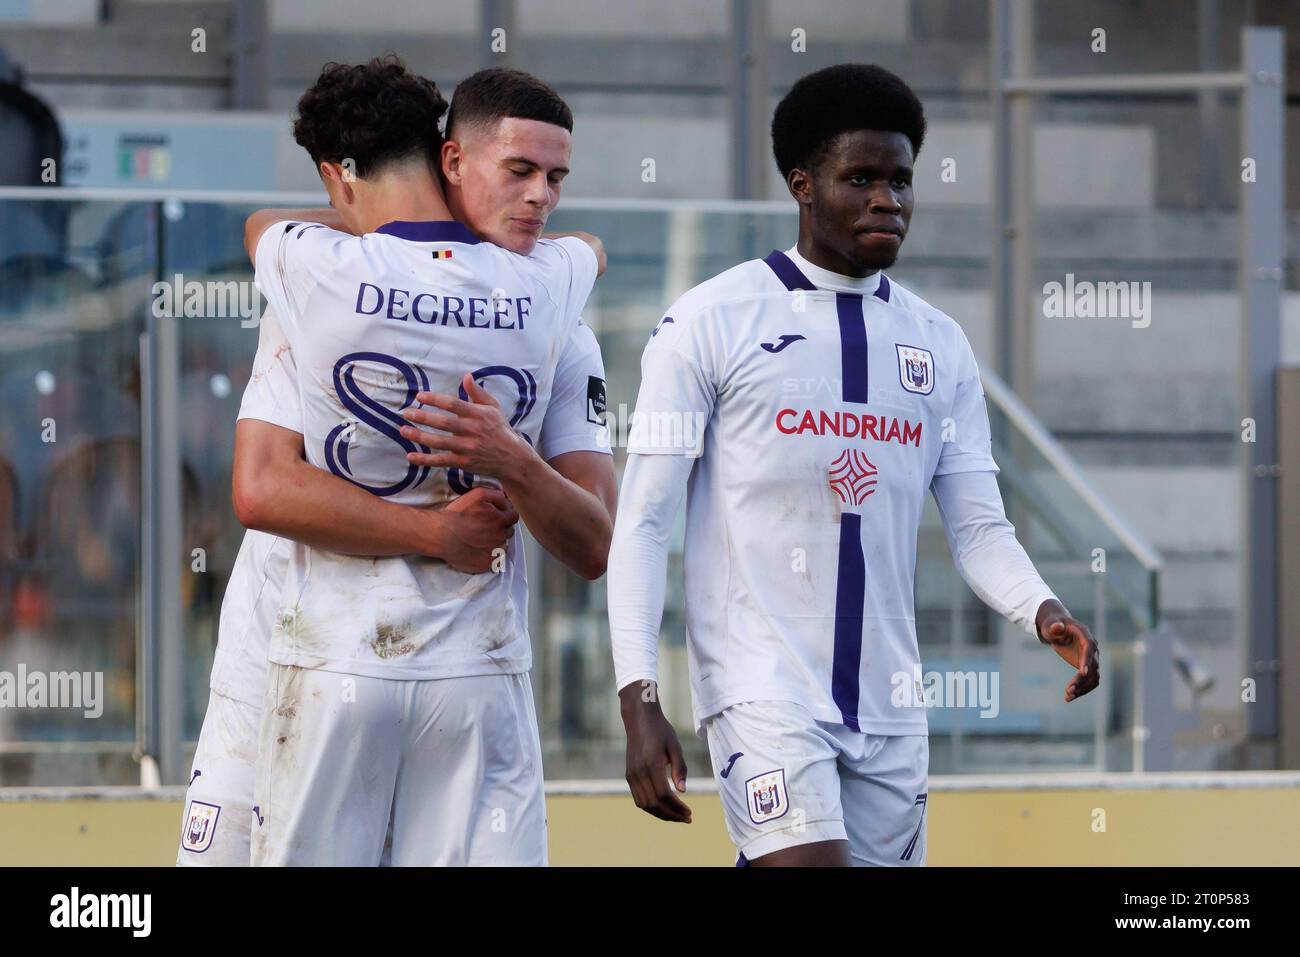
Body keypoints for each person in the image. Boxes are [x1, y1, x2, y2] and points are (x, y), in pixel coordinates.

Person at [606, 63, 1099, 867]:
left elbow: (978, 528)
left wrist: (1040, 608)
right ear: (803, 184)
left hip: (893, 703)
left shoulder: (939, 342)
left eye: (902, 180)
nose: (888, 200)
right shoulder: (709, 320)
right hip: (760, 688)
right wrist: (640, 697)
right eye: (861, 178)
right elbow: (643, 520)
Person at [178, 61, 614, 866]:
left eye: (554, 177)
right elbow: (589, 247)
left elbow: (595, 540)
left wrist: (512, 463)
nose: (541, 197)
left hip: (340, 662)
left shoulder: (309, 282)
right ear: (450, 163)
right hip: (339, 653)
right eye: (519, 171)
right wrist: (438, 532)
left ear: (338, 177)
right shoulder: (555, 292)